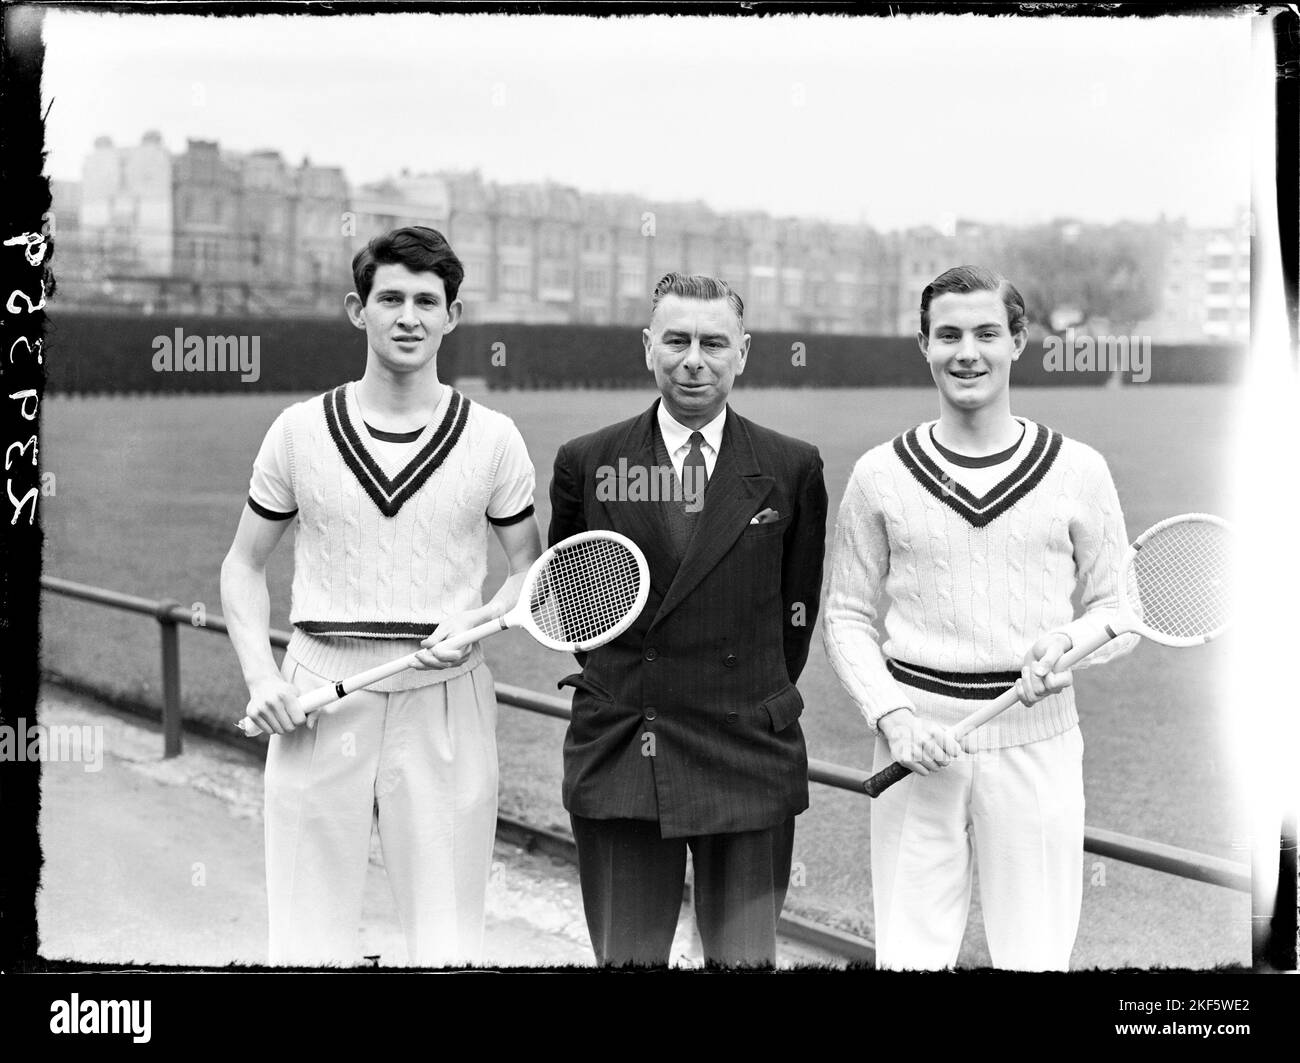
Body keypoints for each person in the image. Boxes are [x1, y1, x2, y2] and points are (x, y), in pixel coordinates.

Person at [220, 226, 541, 967]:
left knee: (447, 937)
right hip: (318, 692)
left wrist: (481, 617)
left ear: (452, 316)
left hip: (445, 692)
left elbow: (527, 567)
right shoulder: (298, 431)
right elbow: (242, 566)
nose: (409, 316)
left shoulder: (493, 437)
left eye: (428, 300)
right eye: (390, 297)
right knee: (304, 936)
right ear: (356, 308)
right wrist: (261, 676)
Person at [822, 265, 1137, 971]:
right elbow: (843, 615)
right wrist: (891, 716)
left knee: (1035, 956)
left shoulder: (1078, 469)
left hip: (1038, 741)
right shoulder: (881, 472)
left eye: (988, 333)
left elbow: (1123, 608)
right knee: (907, 955)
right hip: (915, 745)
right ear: (924, 345)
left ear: (1018, 341)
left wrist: (1070, 645)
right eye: (950, 335)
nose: (968, 351)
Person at [548, 272, 828, 968]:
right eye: (676, 340)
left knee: (744, 963)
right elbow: (580, 611)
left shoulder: (792, 467)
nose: (693, 358)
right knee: (627, 961)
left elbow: (796, 616)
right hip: (624, 746)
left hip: (746, 749)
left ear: (743, 351)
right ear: (649, 347)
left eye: (712, 342)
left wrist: (743, 692)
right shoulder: (587, 461)